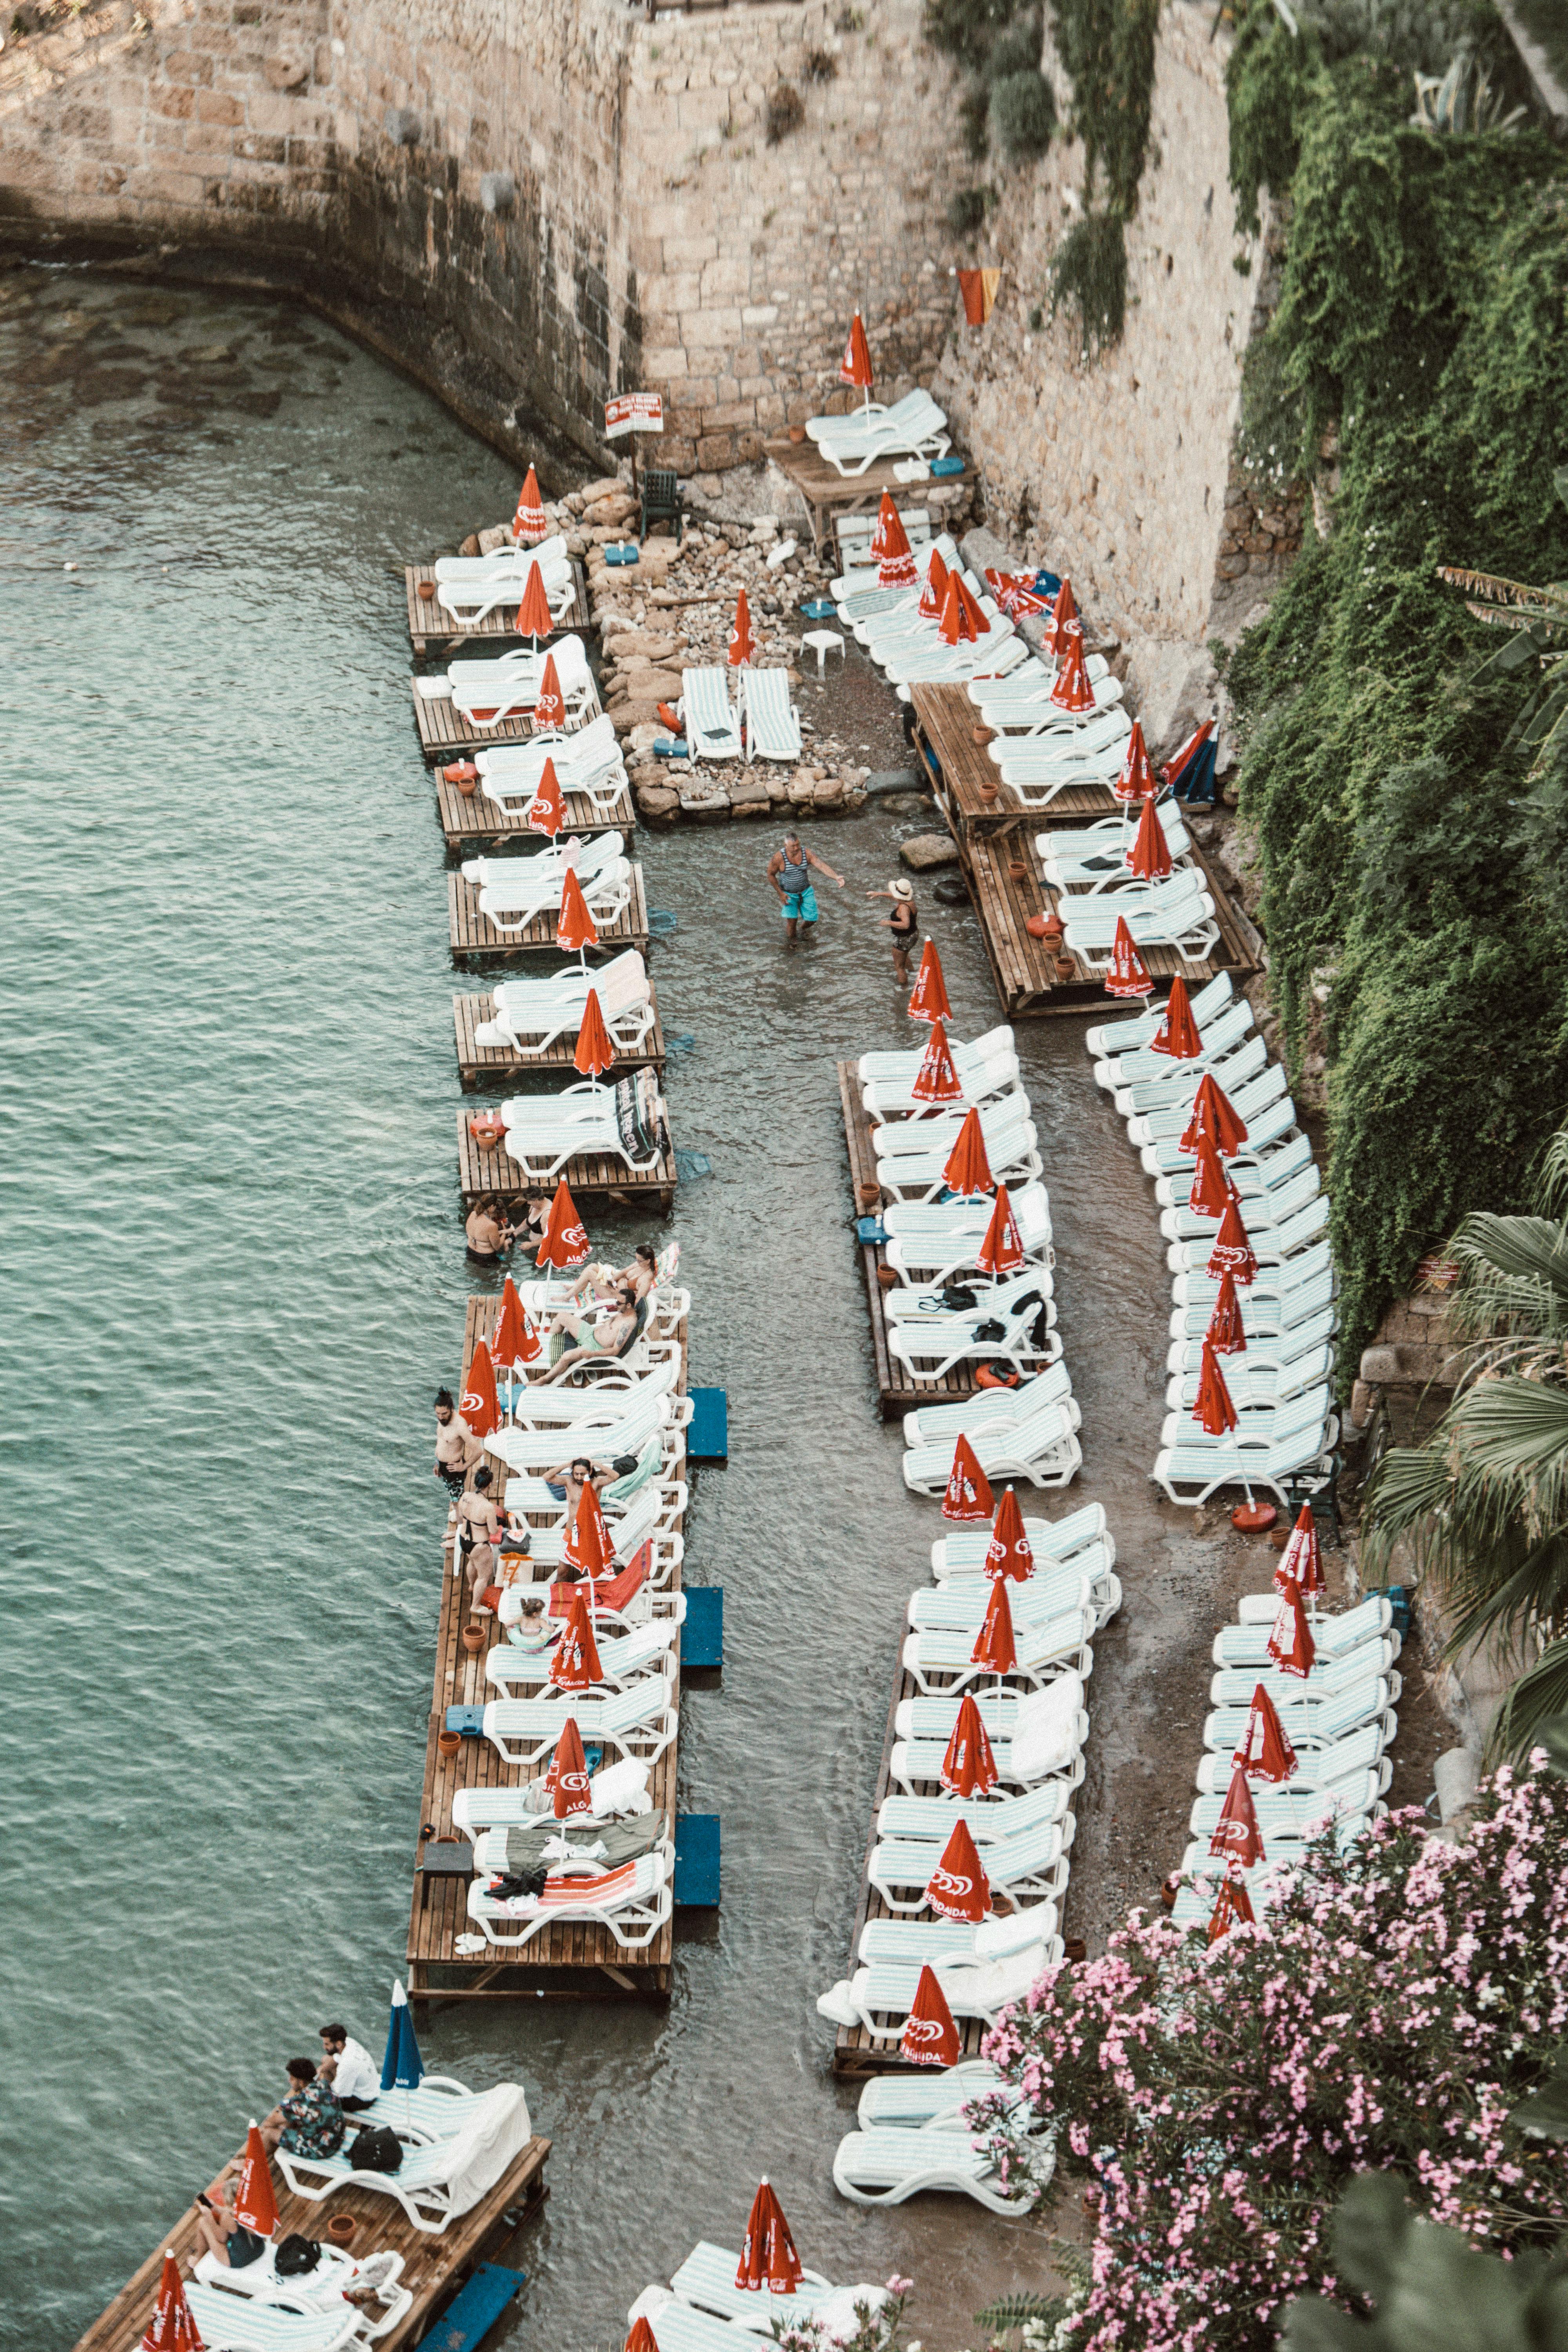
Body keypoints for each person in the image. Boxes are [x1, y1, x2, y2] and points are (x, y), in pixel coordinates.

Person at [768, 832, 844, 947]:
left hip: (806, 892)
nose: (797, 848)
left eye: (798, 845)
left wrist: (836, 877)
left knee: (812, 919)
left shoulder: (806, 853)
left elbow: (820, 865)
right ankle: (792, 944)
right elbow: (770, 874)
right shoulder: (779, 857)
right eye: (793, 846)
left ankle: (802, 929)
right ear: (786, 846)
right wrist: (780, 894)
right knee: (792, 921)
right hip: (788, 894)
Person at [258, 2058, 345, 2160]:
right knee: (288, 2123)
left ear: (301, 2082)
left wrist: (264, 2127)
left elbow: (272, 2121)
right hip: (336, 2138)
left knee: (269, 2133)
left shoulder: (301, 2102)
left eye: (292, 2079)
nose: (289, 2081)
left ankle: (253, 2163)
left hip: (322, 2149)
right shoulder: (324, 2085)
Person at [546, 1282, 638, 1372]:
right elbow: (611, 1323)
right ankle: (546, 1345)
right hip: (591, 1332)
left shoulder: (627, 1325)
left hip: (595, 1347)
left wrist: (592, 1354)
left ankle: (543, 1380)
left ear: (629, 1305)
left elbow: (615, 1351)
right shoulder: (624, 1312)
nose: (615, 1304)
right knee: (561, 1316)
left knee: (566, 1357)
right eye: (616, 1301)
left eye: (619, 1303)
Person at [191, 2160, 264, 2272]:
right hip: (259, 2249)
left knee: (202, 2222)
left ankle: (198, 2260)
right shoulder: (252, 2206)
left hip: (239, 2260)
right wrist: (216, 2208)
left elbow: (222, 2238)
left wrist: (209, 2216)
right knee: (234, 2233)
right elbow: (233, 2212)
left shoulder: (227, 2218)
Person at [867, 877, 920, 984]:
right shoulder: (910, 902)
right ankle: (913, 974)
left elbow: (906, 925)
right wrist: (879, 894)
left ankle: (904, 989)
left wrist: (889, 922)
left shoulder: (903, 908)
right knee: (905, 955)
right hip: (913, 935)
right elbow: (897, 897)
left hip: (903, 939)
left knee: (899, 967)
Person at [317, 2024, 379, 2114]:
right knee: (325, 2059)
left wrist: (320, 2087)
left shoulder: (348, 2064)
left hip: (364, 2099)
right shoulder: (349, 2042)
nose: (324, 2047)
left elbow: (338, 2094)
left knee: (320, 2099)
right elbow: (335, 2058)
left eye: (327, 2044)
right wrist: (321, 2069)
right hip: (371, 2087)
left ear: (339, 2044)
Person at [432, 1390, 479, 1504]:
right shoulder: (443, 1421)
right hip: (442, 1466)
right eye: (438, 1413)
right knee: (453, 1498)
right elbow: (441, 1443)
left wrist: (464, 1467)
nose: (441, 1417)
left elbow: (479, 1451)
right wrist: (438, 1464)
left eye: (444, 1414)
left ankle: (461, 1521)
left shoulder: (459, 1425)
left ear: (452, 1409)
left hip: (454, 1469)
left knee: (458, 1502)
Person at [543, 1456, 613, 1514]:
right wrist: (567, 1465)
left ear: (590, 1472)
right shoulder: (569, 1481)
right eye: (576, 1474)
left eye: (583, 1474)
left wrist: (596, 1464)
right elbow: (546, 1477)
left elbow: (614, 1476)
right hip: (573, 1525)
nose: (579, 1478)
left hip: (591, 1525)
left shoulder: (597, 1483)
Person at [465, 1198, 515, 1263]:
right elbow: (497, 1246)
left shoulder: (474, 1214)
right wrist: (504, 1232)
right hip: (486, 1256)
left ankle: (506, 1255)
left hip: (471, 1251)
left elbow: (513, 1230)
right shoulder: (491, 1224)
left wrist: (504, 1232)